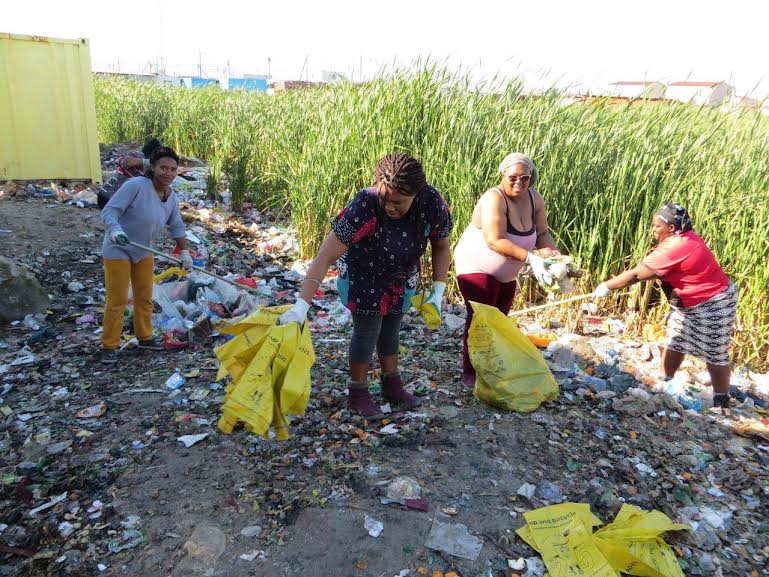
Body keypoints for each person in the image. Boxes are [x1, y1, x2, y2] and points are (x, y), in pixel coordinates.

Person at [279, 153, 453, 417]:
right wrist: (301, 306)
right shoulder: (365, 205)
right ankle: (358, 392)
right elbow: (326, 254)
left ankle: (391, 384)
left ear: (416, 195)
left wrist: (438, 290)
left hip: (402, 276)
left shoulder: (431, 203)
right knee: (367, 331)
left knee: (392, 329)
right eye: (386, 198)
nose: (390, 207)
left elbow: (441, 245)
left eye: (398, 203)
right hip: (363, 276)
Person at [595, 202, 737, 409]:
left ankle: (721, 399)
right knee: (675, 339)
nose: (653, 230)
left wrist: (607, 286)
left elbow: (638, 274)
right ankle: (666, 381)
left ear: (671, 228)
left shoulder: (678, 245)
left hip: (712, 302)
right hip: (686, 303)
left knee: (715, 352)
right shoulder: (682, 238)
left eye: (656, 226)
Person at [453, 153, 560, 389]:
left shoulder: (535, 198)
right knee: (480, 319)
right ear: (503, 175)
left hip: (508, 272)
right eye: (513, 177)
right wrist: (531, 258)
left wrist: (553, 256)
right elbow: (495, 240)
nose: (519, 183)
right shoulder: (495, 198)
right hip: (475, 266)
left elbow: (542, 234)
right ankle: (470, 371)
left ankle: (491, 366)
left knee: (500, 319)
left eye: (525, 177)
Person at [99, 146, 194, 363]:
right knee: (119, 298)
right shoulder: (136, 186)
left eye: (172, 169)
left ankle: (145, 337)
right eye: (163, 168)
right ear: (153, 167)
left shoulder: (171, 196)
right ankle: (109, 346)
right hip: (119, 247)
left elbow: (176, 225)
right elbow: (110, 210)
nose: (168, 173)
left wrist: (185, 251)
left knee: (144, 295)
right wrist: (115, 230)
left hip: (143, 250)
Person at [97, 138, 163, 210]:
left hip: (112, 197)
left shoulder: (150, 168)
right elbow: (126, 162)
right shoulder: (138, 155)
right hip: (109, 196)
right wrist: (146, 162)